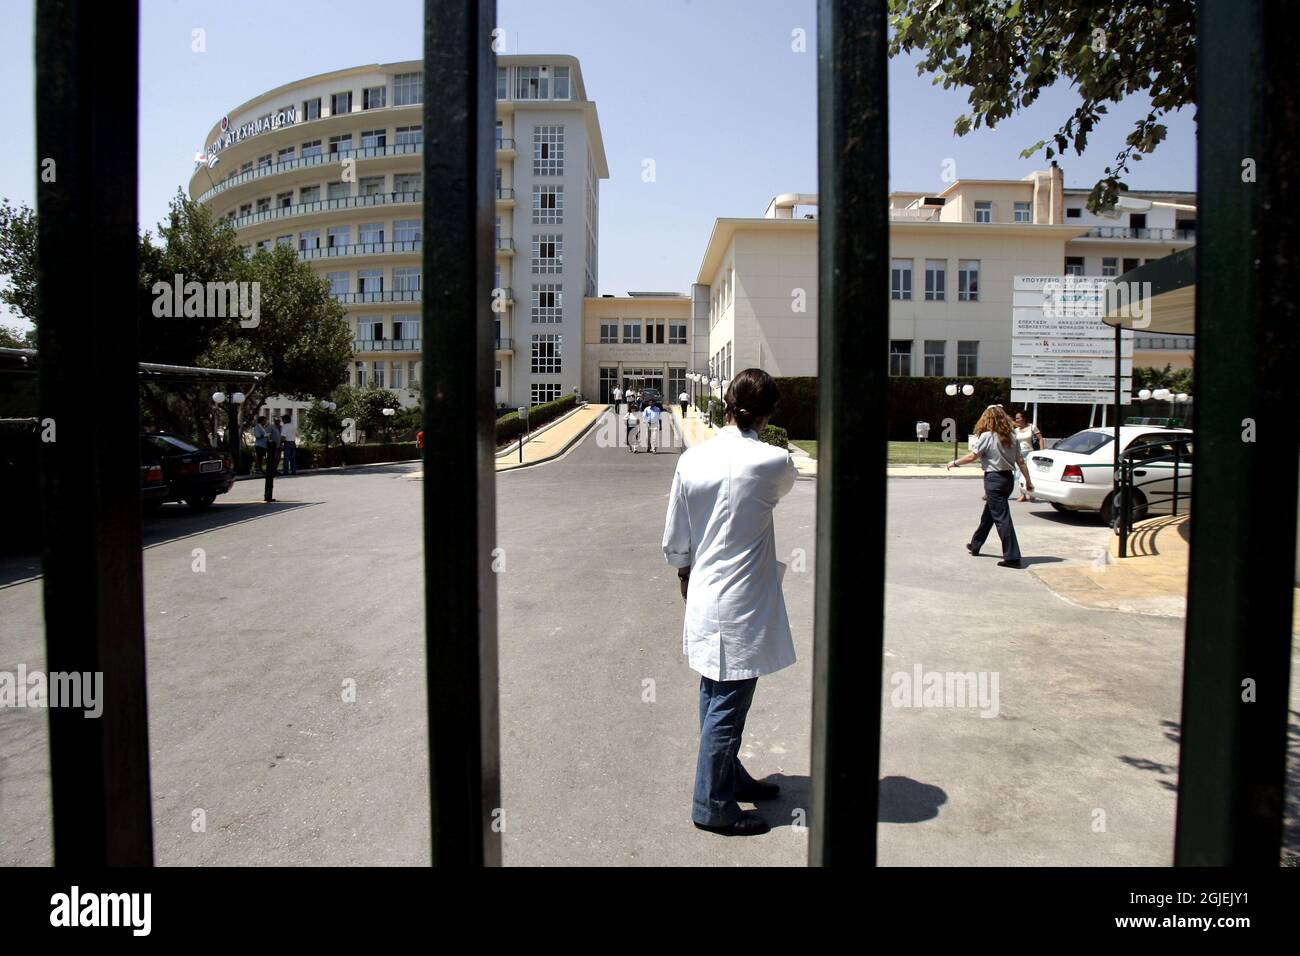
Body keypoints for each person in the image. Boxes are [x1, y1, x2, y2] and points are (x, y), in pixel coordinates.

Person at [662, 368, 798, 836]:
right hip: (743, 599)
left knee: (713, 691)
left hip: (702, 591)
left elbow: (677, 532)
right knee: (729, 700)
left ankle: (729, 776)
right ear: (767, 413)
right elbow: (780, 491)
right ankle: (712, 804)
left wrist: (684, 570)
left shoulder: (692, 459)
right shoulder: (774, 461)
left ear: (726, 405)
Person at [946, 405, 1034, 567]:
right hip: (1007, 480)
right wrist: (1028, 481)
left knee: (1002, 518)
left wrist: (955, 462)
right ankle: (976, 544)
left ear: (988, 419)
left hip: (994, 480)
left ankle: (1012, 556)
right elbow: (1020, 461)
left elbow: (973, 456)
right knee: (989, 515)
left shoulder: (987, 436)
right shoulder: (1012, 437)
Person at [1013, 410, 1043, 502]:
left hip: (1030, 454)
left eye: (1018, 418)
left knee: (1029, 474)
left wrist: (1042, 451)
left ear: (1024, 418)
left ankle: (1031, 493)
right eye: (1016, 418)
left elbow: (1040, 439)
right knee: (1019, 474)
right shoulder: (1016, 430)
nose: (1016, 420)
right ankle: (1023, 494)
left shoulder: (1032, 427)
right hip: (1019, 455)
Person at [263, 415, 282, 503]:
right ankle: (271, 471)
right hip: (272, 447)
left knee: (278, 459)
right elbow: (267, 435)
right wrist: (268, 443)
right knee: (272, 460)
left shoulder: (281, 427)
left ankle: (274, 470)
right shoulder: (271, 427)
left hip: (278, 446)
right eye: (277, 420)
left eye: (279, 420)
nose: (278, 421)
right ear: (274, 421)